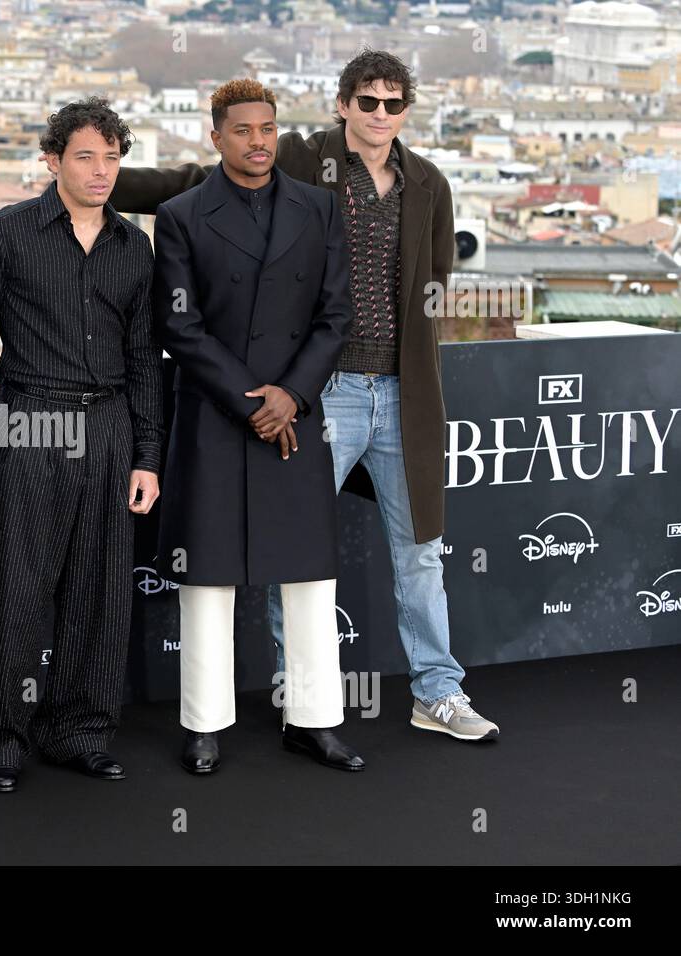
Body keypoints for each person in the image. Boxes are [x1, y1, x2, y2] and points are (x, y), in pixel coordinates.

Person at [112, 50, 499, 743]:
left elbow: (431, 290)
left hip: (403, 394)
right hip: (322, 390)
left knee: (420, 551)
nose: (381, 115)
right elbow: (198, 182)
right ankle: (304, 706)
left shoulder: (430, 185)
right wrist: (102, 180)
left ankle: (437, 692)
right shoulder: (299, 157)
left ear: (407, 110)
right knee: (299, 551)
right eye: (369, 101)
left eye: (394, 103)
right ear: (344, 103)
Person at [151, 78, 362, 773]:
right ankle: (204, 725)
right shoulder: (181, 215)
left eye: (268, 128)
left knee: (308, 579)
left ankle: (313, 720)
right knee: (206, 579)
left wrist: (292, 396)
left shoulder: (320, 209)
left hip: (294, 419)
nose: (259, 142)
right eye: (243, 130)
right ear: (216, 137)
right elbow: (180, 326)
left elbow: (336, 318)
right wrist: (255, 403)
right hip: (218, 417)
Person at [0, 98, 163, 792]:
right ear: (52, 160)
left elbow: (143, 358)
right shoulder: (8, 233)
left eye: (111, 157)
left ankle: (79, 733)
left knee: (100, 591)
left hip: (107, 423)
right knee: (15, 587)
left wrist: (146, 457)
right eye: (85, 156)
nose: (101, 170)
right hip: (29, 418)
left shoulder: (135, 248)